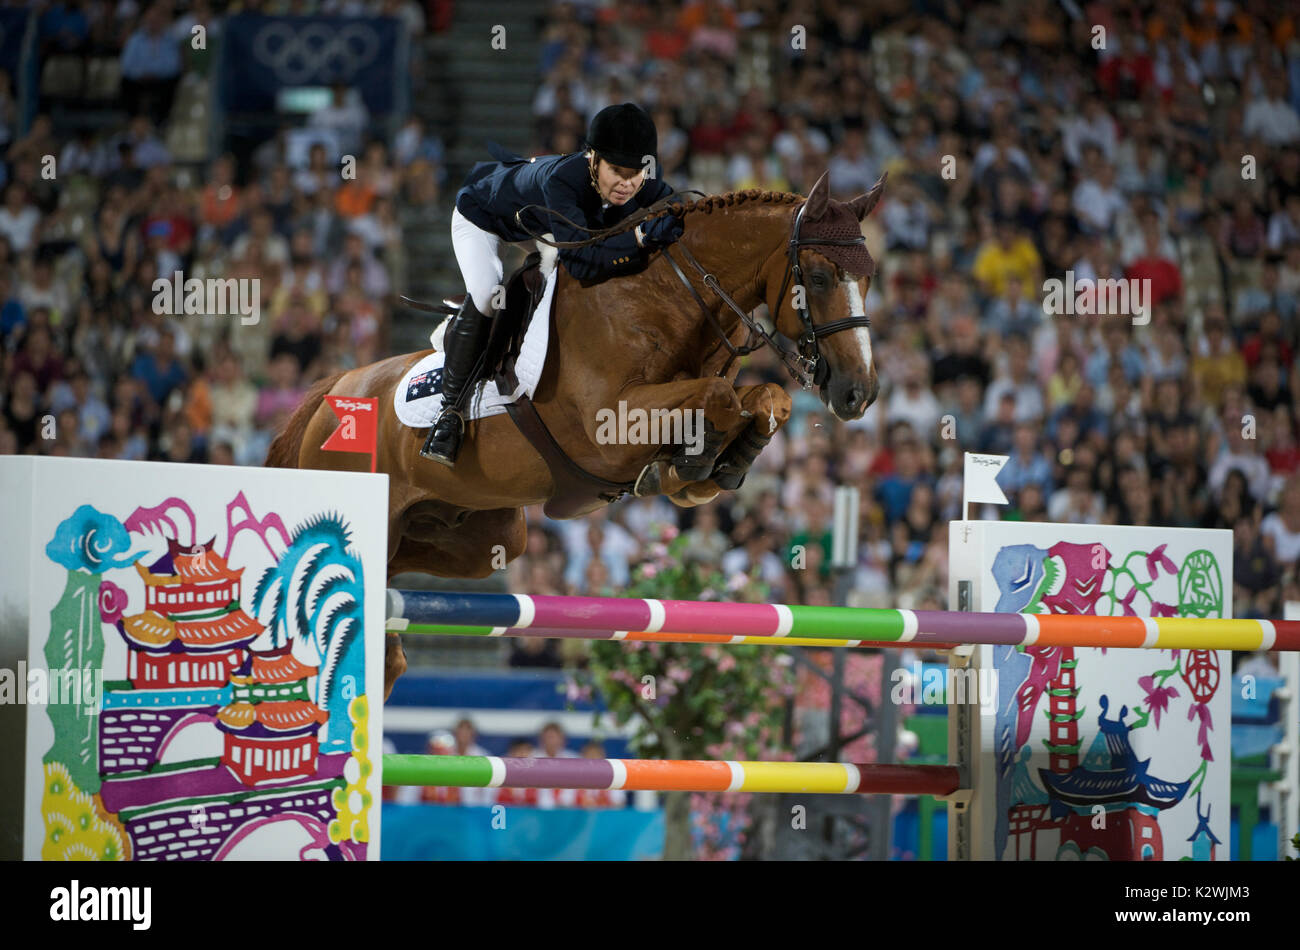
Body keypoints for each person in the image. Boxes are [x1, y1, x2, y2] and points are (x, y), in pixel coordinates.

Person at [424, 102, 682, 466]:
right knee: (487, 291)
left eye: (637, 173)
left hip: (538, 223)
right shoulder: (562, 181)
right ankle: (448, 415)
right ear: (592, 159)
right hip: (482, 216)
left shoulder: (640, 177)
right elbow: (583, 260)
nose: (628, 183)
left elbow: (679, 203)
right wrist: (640, 237)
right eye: (617, 171)